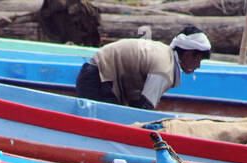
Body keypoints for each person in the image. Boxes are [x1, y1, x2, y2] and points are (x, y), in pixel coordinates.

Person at [75, 26, 212, 110]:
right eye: (198, 60)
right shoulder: (165, 70)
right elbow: (144, 108)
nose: (198, 66)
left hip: (94, 74)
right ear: (188, 54)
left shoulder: (164, 53)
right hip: (97, 80)